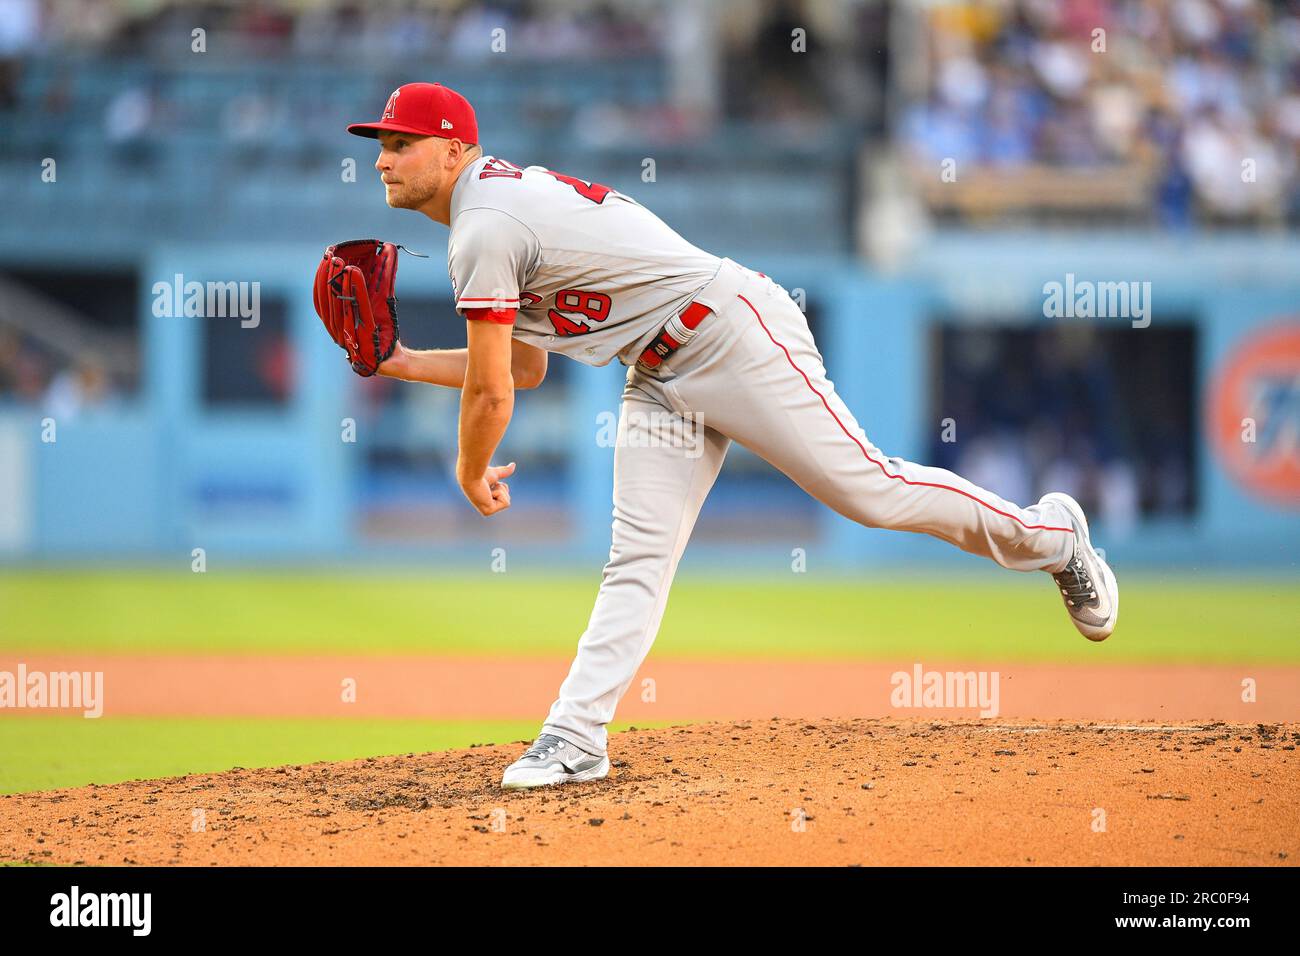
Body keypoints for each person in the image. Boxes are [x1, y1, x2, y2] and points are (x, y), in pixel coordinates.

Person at [344, 83, 1119, 791]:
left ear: (454, 149)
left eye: (398, 143)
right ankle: (576, 737)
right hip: (656, 372)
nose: (382, 160)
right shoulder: (486, 216)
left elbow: (493, 390)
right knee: (637, 557)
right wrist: (403, 361)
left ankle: (1054, 536)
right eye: (380, 145)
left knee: (871, 491)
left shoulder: (483, 224)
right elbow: (528, 367)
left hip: (729, 331)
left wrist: (470, 467)